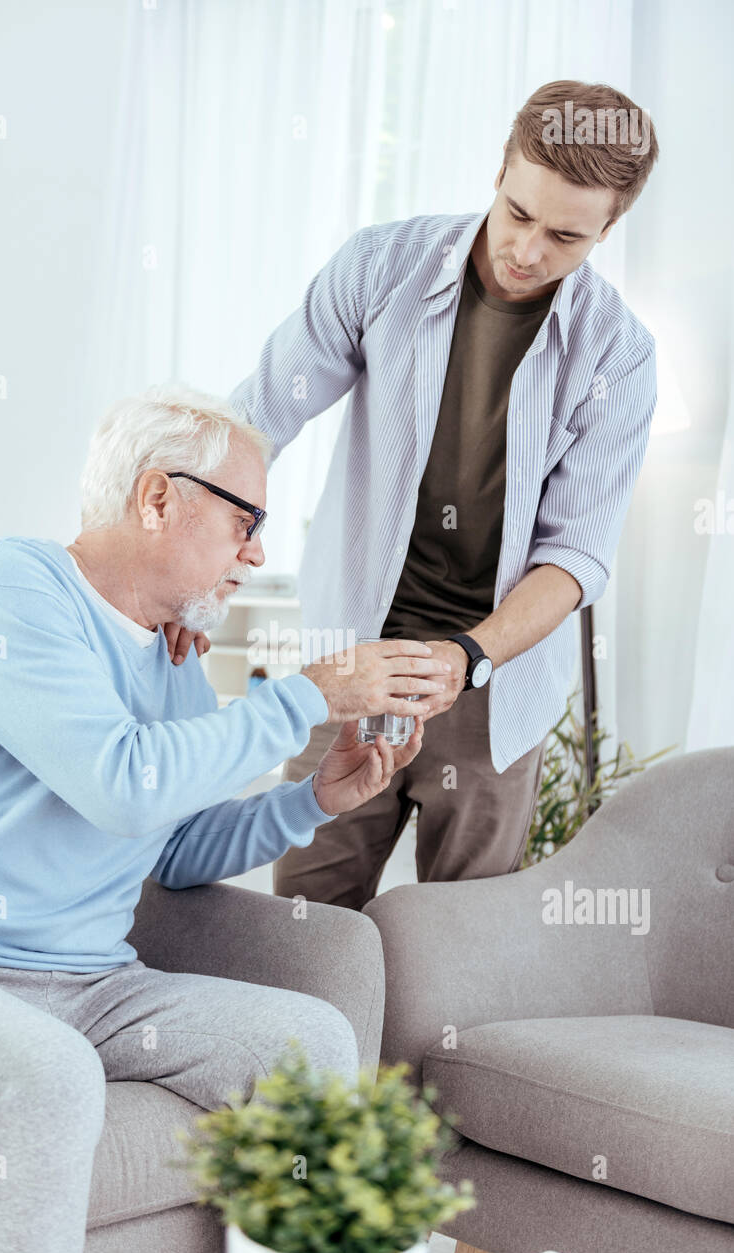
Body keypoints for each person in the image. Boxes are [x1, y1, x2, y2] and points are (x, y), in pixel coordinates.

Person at [0, 383, 454, 1253]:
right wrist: (311, 693)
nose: (256, 554)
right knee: (46, 1074)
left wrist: (314, 799)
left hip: (92, 985)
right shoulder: (11, 590)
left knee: (312, 1041)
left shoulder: (172, 649)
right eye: (245, 521)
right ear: (156, 498)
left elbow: (169, 849)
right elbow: (124, 783)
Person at [229, 80, 660, 910]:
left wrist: (467, 657)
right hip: (351, 654)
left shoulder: (620, 357)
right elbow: (257, 417)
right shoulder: (379, 266)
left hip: (491, 683)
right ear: (499, 170)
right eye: (518, 212)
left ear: (611, 227)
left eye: (567, 235)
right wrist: (185, 569)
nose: (528, 251)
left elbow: (574, 555)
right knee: (302, 927)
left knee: (457, 946)